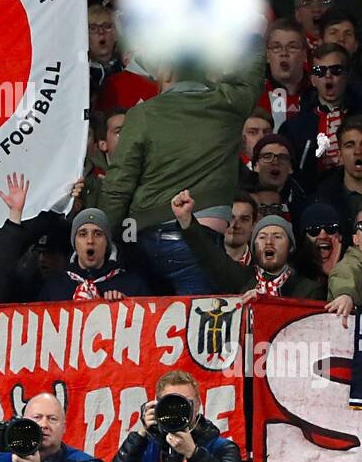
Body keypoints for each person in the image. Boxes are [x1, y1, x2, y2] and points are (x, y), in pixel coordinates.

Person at [99, 35, 263, 295]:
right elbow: (250, 75)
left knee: (147, 331)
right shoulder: (228, 103)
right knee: (197, 330)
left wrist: (106, 237)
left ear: (168, 72)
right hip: (199, 244)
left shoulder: (142, 114)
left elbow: (118, 185)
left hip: (143, 241)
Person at [173, 189, 323, 298]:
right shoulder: (242, 279)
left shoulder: (309, 290)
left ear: (291, 247)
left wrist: (268, 302)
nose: (269, 242)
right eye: (262, 237)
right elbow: (209, 255)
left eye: (277, 237)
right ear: (253, 245)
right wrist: (186, 220)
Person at [111, 370, 243, 462]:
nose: (178, 410)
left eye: (185, 403)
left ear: (198, 405)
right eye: (170, 404)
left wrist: (194, 453)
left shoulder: (222, 447)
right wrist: (141, 435)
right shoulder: (147, 446)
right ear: (157, 406)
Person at [38, 207, 149, 301]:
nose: (90, 240)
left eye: (98, 234)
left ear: (107, 243)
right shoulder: (54, 287)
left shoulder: (133, 285)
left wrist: (127, 308)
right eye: (83, 234)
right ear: (74, 243)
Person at [0, 392, 104, 462]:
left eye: (52, 419)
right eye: (37, 417)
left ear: (64, 428)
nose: (44, 425)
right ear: (23, 423)